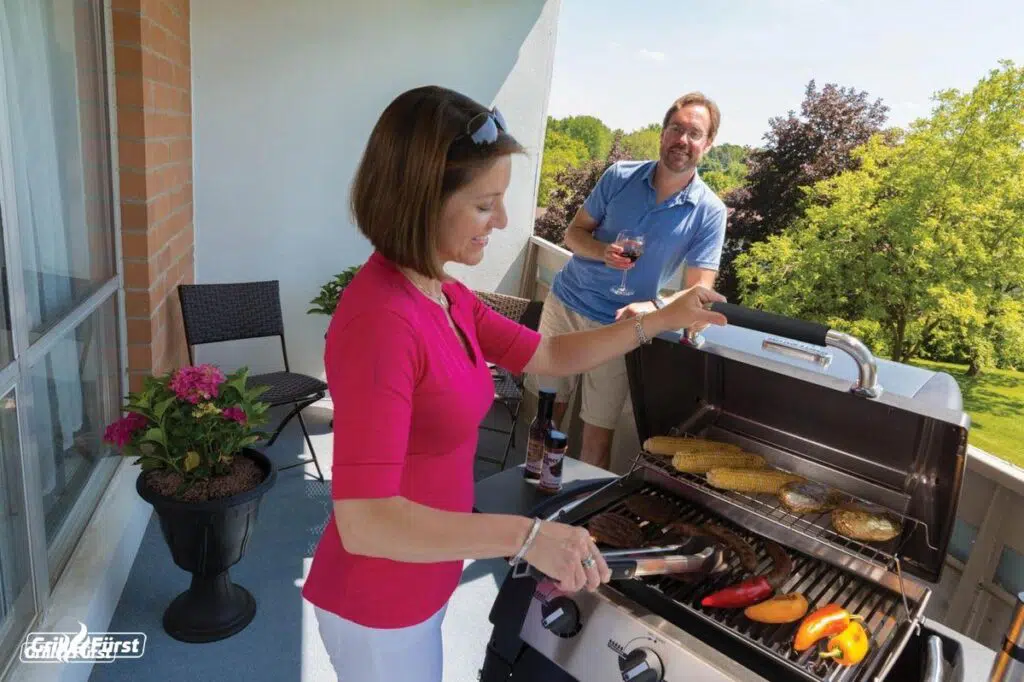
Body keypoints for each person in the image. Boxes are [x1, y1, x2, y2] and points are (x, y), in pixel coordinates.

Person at [300, 85, 728, 682]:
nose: (501, 221)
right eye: (484, 204)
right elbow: (365, 521)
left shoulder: (444, 293)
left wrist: (658, 321)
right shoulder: (382, 321)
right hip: (379, 601)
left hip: (425, 573)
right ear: (422, 200)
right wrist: (527, 538)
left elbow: (548, 351)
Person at [527, 92, 728, 471]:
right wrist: (601, 251)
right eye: (676, 128)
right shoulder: (619, 176)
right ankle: (529, 502)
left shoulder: (710, 212)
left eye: (694, 133)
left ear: (708, 144)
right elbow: (574, 235)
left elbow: (699, 293)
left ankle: (576, 520)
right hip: (566, 306)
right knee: (545, 416)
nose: (682, 140)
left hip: (622, 326)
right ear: (663, 133)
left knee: (597, 435)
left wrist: (655, 307)